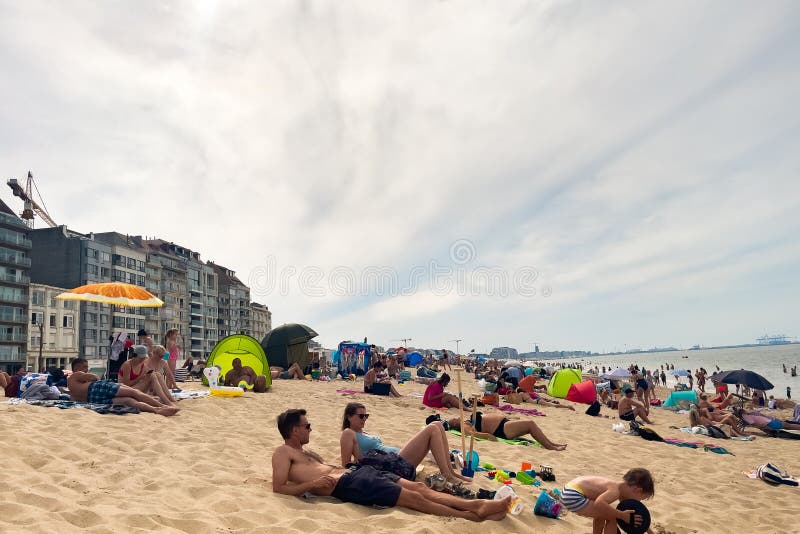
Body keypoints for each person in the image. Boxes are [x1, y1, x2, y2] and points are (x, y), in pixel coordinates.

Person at [271, 408, 510, 521]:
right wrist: (312, 484)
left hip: (356, 473)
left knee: (420, 489)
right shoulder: (282, 452)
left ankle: (478, 504)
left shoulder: (307, 452)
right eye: (307, 426)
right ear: (293, 430)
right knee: (414, 500)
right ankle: (472, 516)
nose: (310, 428)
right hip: (348, 484)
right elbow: (278, 487)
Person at [339, 403, 471, 485]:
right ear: (349, 417)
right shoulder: (348, 433)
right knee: (432, 428)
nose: (364, 419)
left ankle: (450, 472)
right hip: (392, 466)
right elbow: (346, 465)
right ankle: (446, 474)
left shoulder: (363, 433)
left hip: (396, 460)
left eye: (366, 416)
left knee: (437, 425)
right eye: (361, 416)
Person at [67, 358, 178, 416]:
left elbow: (75, 398)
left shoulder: (71, 386)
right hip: (97, 388)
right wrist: (88, 376)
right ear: (77, 368)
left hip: (94, 399)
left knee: (129, 401)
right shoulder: (76, 375)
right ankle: (162, 406)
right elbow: (95, 377)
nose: (86, 369)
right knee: (134, 393)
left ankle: (155, 410)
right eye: (85, 367)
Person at [561, 468, 655, 534]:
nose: (639, 503)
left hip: (569, 490)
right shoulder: (615, 490)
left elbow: (637, 514)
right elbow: (599, 503)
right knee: (612, 516)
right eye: (641, 499)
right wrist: (621, 515)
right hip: (574, 495)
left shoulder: (618, 489)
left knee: (604, 513)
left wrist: (647, 529)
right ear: (637, 490)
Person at [446, 411, 566, 451]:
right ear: (455, 424)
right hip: (501, 429)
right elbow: (474, 434)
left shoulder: (466, 421)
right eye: (455, 420)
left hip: (503, 424)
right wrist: (490, 437)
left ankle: (552, 444)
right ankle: (551, 447)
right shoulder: (464, 427)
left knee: (530, 424)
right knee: (530, 424)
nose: (457, 418)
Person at [735, 408, 800, 433]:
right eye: (743, 410)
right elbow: (752, 422)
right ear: (742, 412)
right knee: (787, 425)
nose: (745, 410)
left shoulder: (747, 415)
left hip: (768, 421)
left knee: (787, 425)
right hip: (768, 423)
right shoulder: (746, 416)